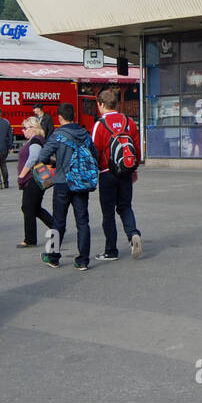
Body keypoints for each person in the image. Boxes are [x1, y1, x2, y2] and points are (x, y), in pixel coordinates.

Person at [38, 102, 96, 271]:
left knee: (58, 221)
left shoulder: (58, 135)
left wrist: (54, 162)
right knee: (83, 222)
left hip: (62, 182)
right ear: (74, 117)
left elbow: (42, 156)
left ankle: (53, 256)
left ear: (60, 117)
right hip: (81, 183)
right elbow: (94, 155)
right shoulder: (85, 134)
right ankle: (83, 260)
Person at [90, 88, 142, 261]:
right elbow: (136, 148)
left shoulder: (100, 124)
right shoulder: (129, 121)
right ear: (117, 104)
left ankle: (111, 250)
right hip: (126, 171)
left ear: (101, 104)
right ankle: (133, 233)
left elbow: (94, 150)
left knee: (108, 213)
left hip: (107, 173)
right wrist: (134, 169)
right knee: (125, 206)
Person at [16, 116, 54, 247]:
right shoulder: (35, 140)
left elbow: (33, 158)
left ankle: (30, 239)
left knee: (28, 207)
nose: (23, 131)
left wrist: (22, 174)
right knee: (34, 207)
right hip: (35, 178)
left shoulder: (36, 141)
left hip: (33, 179)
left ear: (33, 128)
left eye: (25, 128)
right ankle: (56, 226)